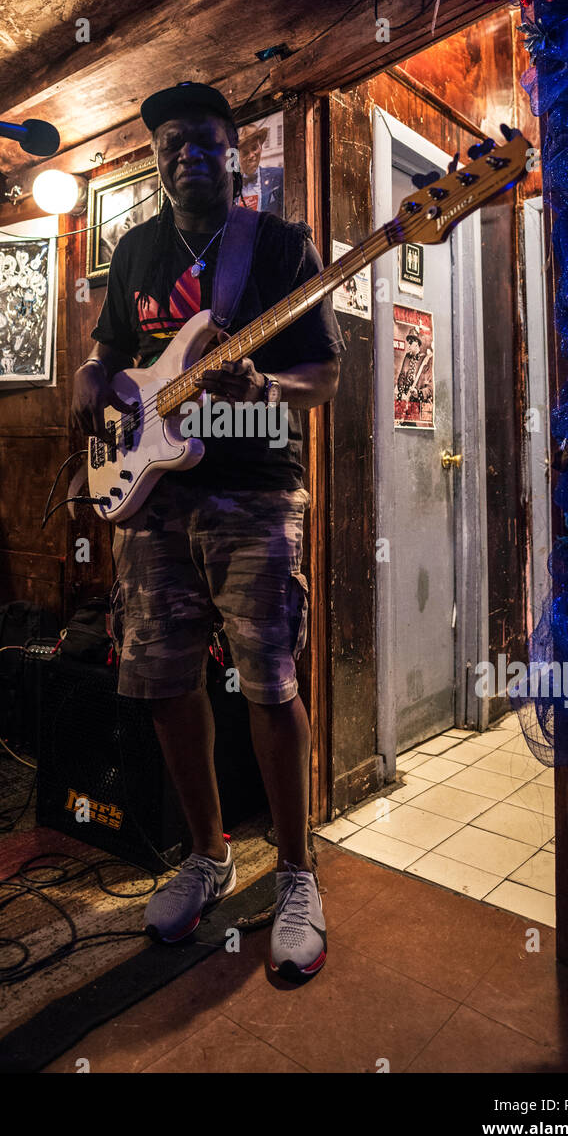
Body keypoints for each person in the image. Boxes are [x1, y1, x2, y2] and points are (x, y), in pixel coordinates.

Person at [71, 81, 344, 981]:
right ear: (155, 158)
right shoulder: (135, 247)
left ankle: (298, 874)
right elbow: (114, 357)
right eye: (169, 142)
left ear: (236, 154)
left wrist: (267, 390)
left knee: (268, 683)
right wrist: (91, 378)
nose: (185, 152)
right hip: (151, 498)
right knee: (158, 682)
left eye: (203, 141)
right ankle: (207, 853)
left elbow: (323, 375)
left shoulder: (279, 245)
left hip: (254, 493)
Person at [237, 121, 284, 215]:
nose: (251, 155)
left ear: (260, 148)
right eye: (245, 152)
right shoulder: (232, 188)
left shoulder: (278, 177)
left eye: (254, 148)